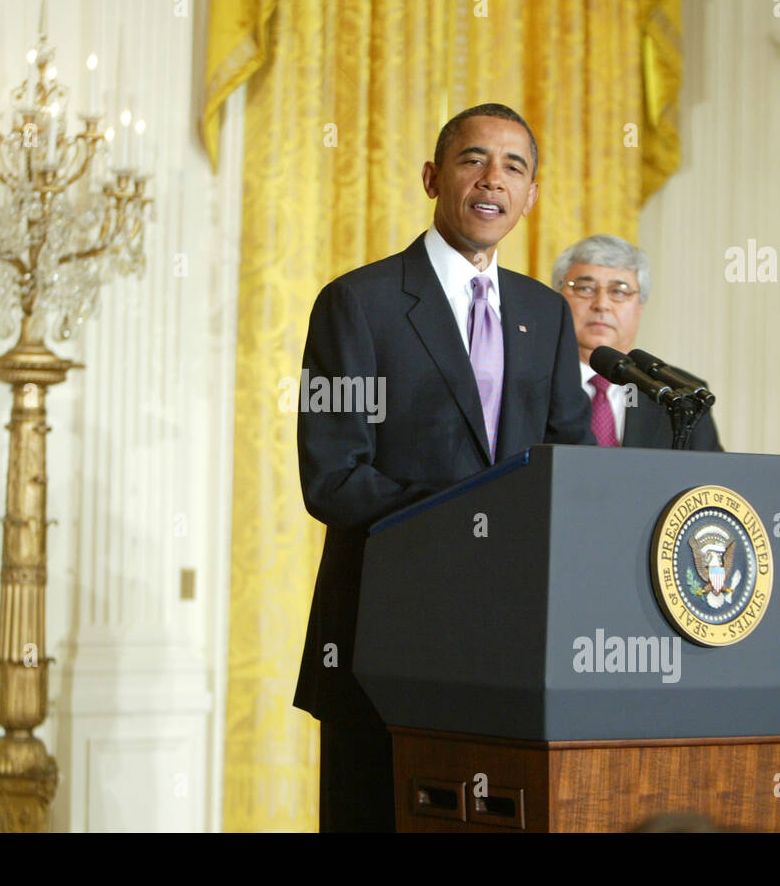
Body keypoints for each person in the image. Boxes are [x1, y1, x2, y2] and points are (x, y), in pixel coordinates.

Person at [295, 104, 594, 831]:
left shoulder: (546, 314)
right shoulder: (356, 304)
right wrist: (478, 514)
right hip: (385, 645)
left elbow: (571, 463)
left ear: (530, 195)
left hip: (513, 653)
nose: (494, 179)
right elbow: (333, 476)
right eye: (473, 160)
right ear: (433, 176)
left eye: (514, 166)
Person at [552, 234, 722, 451]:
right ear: (558, 298)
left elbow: (711, 480)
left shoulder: (683, 394)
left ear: (639, 307)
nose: (602, 304)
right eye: (585, 288)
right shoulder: (530, 383)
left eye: (619, 291)